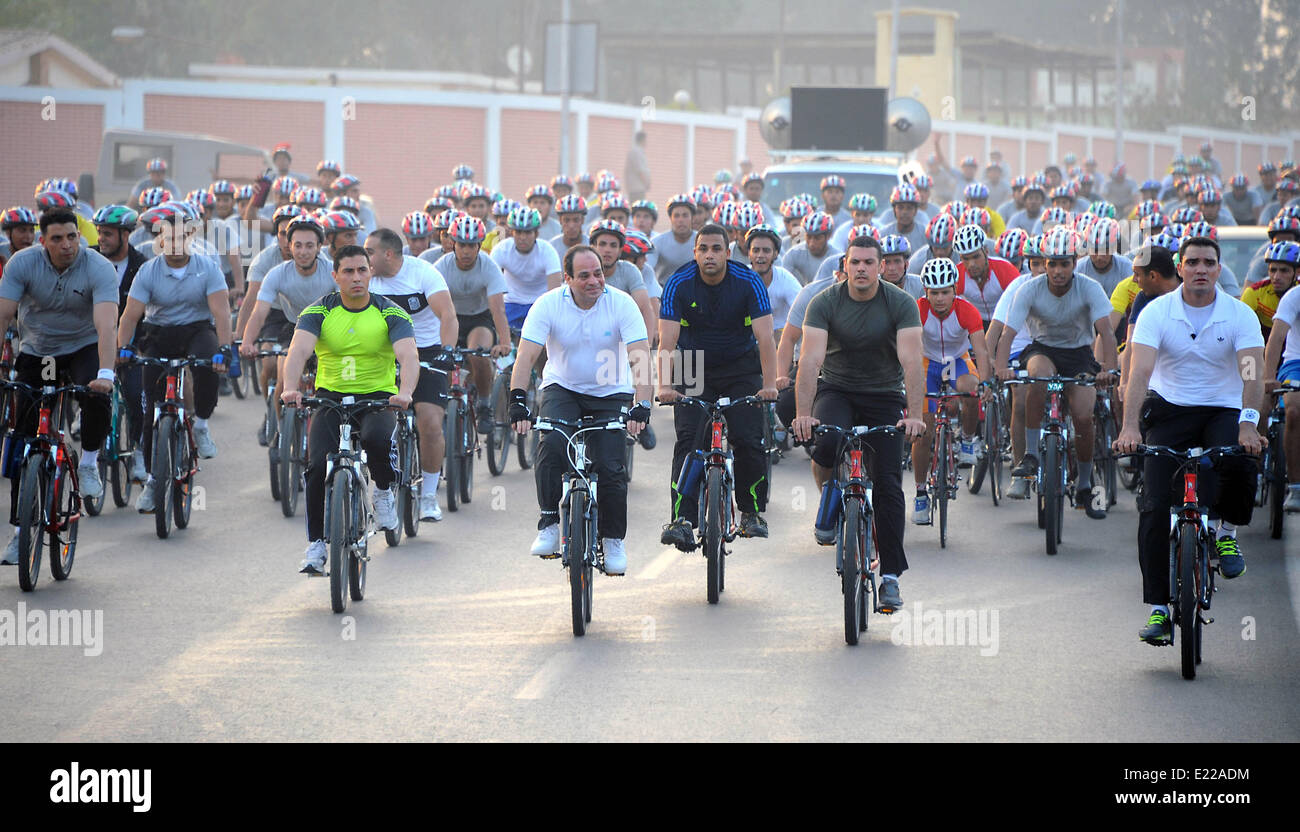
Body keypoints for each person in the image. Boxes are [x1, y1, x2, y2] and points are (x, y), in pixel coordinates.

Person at [1113, 235, 1264, 645]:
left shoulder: (1239, 314)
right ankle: (1160, 609)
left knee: (1239, 459)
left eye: (1208, 263)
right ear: (1180, 268)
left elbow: (1251, 374)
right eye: (1192, 262)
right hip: (1170, 406)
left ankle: (1226, 536)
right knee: (1155, 505)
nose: (1200, 269)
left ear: (1218, 270)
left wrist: (1248, 424)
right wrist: (1130, 428)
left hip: (1223, 407)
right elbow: (1139, 374)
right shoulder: (1157, 313)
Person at [788, 234, 925, 613]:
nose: (861, 268)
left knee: (888, 486)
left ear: (882, 267)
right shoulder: (824, 302)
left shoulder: (900, 303)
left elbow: (912, 362)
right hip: (838, 390)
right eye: (855, 262)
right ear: (844, 266)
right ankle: (832, 505)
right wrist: (803, 414)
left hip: (884, 394)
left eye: (869, 262)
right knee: (828, 444)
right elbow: (811, 361)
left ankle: (892, 578)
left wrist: (915, 415)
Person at [510, 245, 652, 575]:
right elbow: (526, 356)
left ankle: (613, 539)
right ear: (568, 278)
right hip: (563, 388)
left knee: (611, 464)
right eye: (584, 275)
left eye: (599, 273)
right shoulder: (547, 305)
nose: (594, 281)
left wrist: (641, 404)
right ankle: (548, 523)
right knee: (551, 443)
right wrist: (518, 400)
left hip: (612, 390)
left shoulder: (621, 304)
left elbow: (640, 358)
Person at [279, 245, 418, 574]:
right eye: (348, 272)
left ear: (371, 272)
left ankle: (383, 491)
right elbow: (298, 352)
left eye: (362, 270)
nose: (356, 277)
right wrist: (290, 388)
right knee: (316, 466)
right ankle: (316, 544)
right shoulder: (319, 311)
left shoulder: (391, 312)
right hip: (331, 397)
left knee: (377, 441)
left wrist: (405, 392)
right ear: (335, 276)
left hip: (378, 397)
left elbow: (409, 356)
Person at [0, 209, 118, 562]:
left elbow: (106, 324)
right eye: (57, 239)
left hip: (83, 348)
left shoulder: (97, 267)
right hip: (42, 352)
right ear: (43, 241)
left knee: (95, 396)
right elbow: (4, 315)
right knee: (23, 437)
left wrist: (107, 373)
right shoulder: (23, 264)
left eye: (72, 236)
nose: (66, 245)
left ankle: (89, 462)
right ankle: (20, 531)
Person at [658, 223, 779, 548]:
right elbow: (667, 342)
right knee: (688, 441)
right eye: (703, 249)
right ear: (695, 253)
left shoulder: (749, 280)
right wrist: (664, 386)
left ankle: (752, 511)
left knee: (748, 437)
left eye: (716, 249)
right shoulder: (678, 283)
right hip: (692, 365)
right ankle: (682, 519)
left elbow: (765, 338)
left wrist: (769, 386)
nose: (710, 255)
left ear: (728, 252)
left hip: (740, 366)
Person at [117, 202, 233, 512]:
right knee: (150, 405)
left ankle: (202, 424)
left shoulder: (206, 266)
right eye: (169, 239)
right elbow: (130, 316)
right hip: (159, 333)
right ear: (160, 241)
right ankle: (154, 482)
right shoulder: (148, 270)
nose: (175, 245)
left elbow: (221, 313)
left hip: (197, 329)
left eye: (182, 239)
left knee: (209, 366)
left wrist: (225, 349)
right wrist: (124, 347)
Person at [996, 227, 1118, 519]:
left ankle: (1086, 483)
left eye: (1065, 263)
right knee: (1036, 377)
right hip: (1044, 349)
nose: (1059, 270)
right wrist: (1000, 367)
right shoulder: (1029, 289)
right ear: (1045, 264)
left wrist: (1109, 370)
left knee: (1083, 415)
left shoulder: (1089, 288)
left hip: (1079, 355)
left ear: (1075, 263)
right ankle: (1032, 456)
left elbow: (1107, 333)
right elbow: (1007, 334)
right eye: (1053, 263)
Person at [364, 229, 458, 521]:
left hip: (426, 352)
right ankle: (380, 488)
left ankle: (429, 495)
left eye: (369, 252)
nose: (364, 257)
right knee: (370, 426)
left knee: (430, 423)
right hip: (383, 354)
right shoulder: (364, 277)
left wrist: (447, 350)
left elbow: (448, 316)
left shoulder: (423, 274)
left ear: (388, 254)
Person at [239, 215, 338, 436]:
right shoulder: (277, 274)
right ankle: (282, 432)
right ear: (289, 246)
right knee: (284, 384)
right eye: (298, 245)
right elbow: (259, 313)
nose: (303, 251)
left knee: (335, 388)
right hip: (294, 330)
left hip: (328, 332)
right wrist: (246, 341)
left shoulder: (333, 271)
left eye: (310, 245)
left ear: (320, 247)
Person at [910, 257, 992, 523]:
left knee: (971, 389)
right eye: (934, 293)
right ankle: (921, 494)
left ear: (954, 290)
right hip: (927, 362)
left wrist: (986, 383)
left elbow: (980, 350)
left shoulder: (967, 310)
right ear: (926, 292)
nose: (940, 298)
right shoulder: (917, 310)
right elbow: (906, 349)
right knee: (923, 429)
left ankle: (968, 439)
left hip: (957, 360)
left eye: (945, 292)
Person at [424, 214, 512, 420]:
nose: (466, 251)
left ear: (480, 245)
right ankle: (443, 402)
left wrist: (505, 342)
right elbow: (429, 304)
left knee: (478, 356)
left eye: (472, 245)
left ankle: (484, 402)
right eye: (462, 245)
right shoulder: (441, 267)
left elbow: (497, 309)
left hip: (479, 319)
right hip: (449, 319)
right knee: (441, 362)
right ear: (453, 244)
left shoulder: (488, 266)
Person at [91, 204, 149, 482]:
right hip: (93, 339)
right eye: (100, 233)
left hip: (131, 343)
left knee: (138, 397)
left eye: (108, 234)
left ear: (125, 236)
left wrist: (132, 347)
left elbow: (147, 314)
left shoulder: (143, 266)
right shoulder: (88, 259)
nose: (101, 238)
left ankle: (139, 451)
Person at [1262, 241, 1300, 512]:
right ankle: (1296, 487)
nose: (1277, 275)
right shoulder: (1294, 296)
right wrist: (1266, 377)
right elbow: (1276, 339)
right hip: (1295, 364)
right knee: (1294, 410)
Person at [744, 224, 802, 342]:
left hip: (781, 340)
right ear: (749, 253)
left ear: (775, 254)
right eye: (755, 250)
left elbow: (803, 310)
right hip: (747, 340)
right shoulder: (739, 278)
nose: (760, 255)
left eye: (766, 250)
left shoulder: (785, 279)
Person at [951, 224, 1018, 326]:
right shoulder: (957, 274)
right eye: (965, 258)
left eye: (976, 257)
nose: (971, 264)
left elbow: (1021, 302)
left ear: (986, 252)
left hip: (1006, 320)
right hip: (977, 322)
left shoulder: (1004, 269)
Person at [780, 211, 840, 285]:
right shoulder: (793, 254)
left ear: (828, 236)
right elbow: (782, 281)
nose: (812, 243)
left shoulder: (837, 258)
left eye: (817, 238)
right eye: (808, 237)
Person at [623, 131, 651, 203]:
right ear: (643, 139)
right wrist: (646, 183)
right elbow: (640, 170)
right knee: (638, 208)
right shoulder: (637, 152)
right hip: (637, 189)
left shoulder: (637, 151)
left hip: (636, 189)